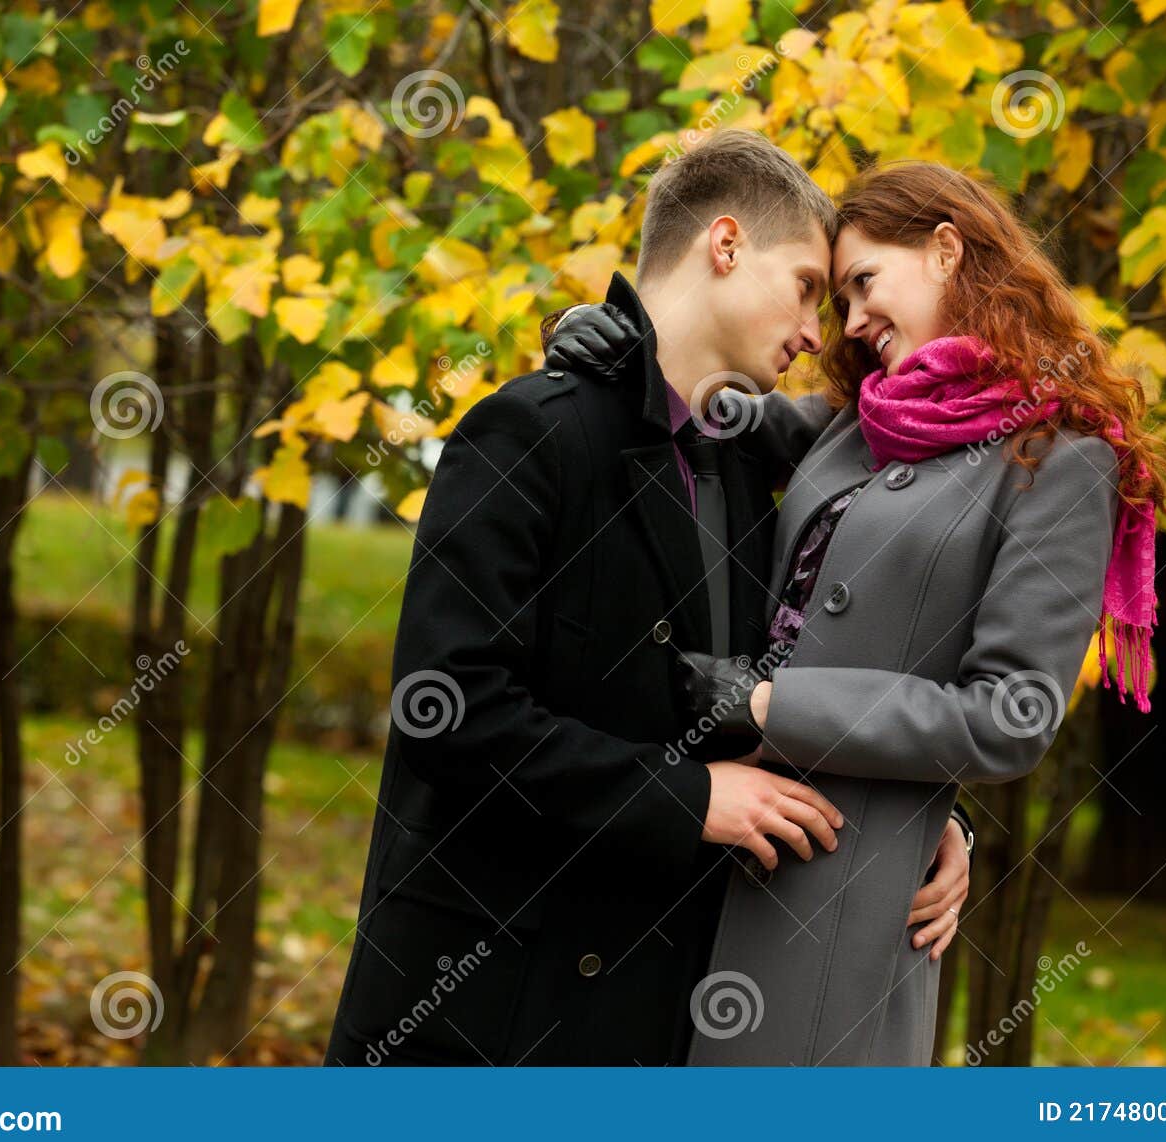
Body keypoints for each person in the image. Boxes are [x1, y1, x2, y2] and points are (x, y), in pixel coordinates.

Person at [324, 131, 973, 1067]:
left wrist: (935, 822)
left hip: (651, 1013)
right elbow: (451, 712)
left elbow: (810, 680)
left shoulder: (748, 466)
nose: (814, 333)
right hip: (482, 1011)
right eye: (803, 288)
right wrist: (686, 795)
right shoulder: (525, 432)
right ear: (724, 245)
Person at [545, 158, 1166, 1065]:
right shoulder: (864, 420)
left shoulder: (1060, 460)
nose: (851, 322)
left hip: (841, 901)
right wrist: (603, 336)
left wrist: (771, 709)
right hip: (705, 854)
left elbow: (1010, 715)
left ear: (947, 251)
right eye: (836, 297)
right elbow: (709, 392)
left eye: (863, 284)